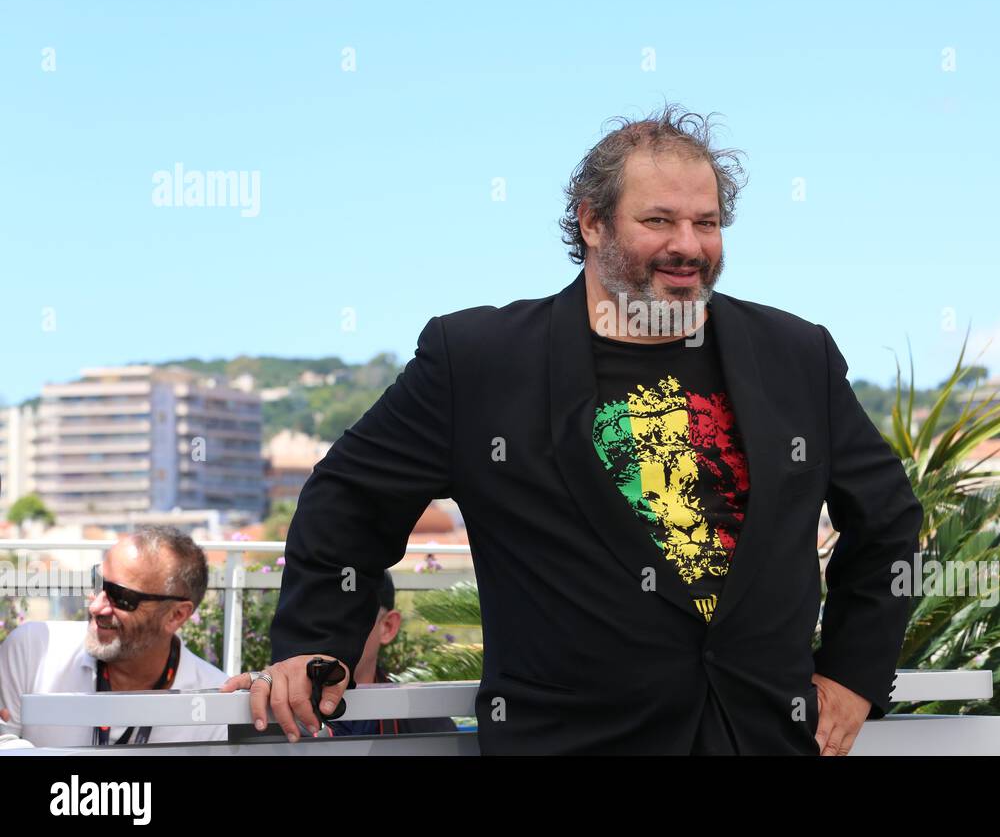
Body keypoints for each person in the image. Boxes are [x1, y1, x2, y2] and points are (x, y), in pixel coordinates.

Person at [222, 103, 923, 755]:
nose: (689, 246)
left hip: (762, 740)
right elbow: (348, 500)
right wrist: (316, 646)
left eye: (706, 223)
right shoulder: (478, 361)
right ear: (592, 222)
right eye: (660, 221)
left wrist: (856, 674)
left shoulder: (794, 354)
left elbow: (888, 521)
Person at [0, 527, 229, 747]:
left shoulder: (218, 704)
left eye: (121, 597)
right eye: (98, 583)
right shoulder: (32, 651)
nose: (96, 607)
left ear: (176, 616)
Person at [323, 570, 458, 737]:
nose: (331, 628)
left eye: (350, 616)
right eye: (318, 614)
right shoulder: (284, 718)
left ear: (387, 627)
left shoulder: (425, 722)